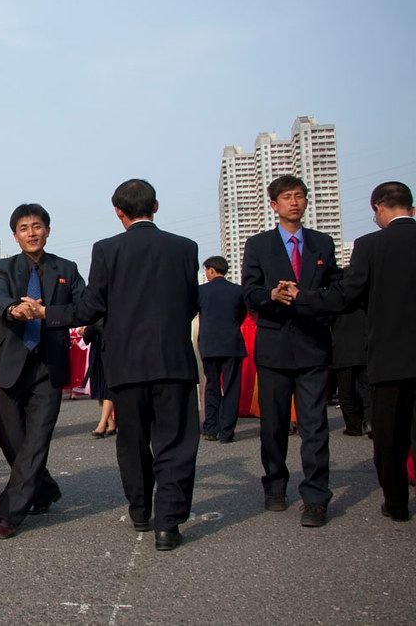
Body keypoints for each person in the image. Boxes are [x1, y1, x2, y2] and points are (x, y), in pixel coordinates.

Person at [33, 180, 200, 551]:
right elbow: (191, 302)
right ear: (156, 206)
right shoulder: (185, 248)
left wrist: (48, 312)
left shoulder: (107, 249)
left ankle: (141, 511)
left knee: (133, 440)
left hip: (126, 363)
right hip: (173, 360)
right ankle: (168, 524)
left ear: (118, 212)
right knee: (175, 442)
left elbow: (91, 307)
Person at [286, 181, 415, 521]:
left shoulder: (371, 245)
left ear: (378, 209)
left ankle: (397, 503)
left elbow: (344, 295)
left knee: (390, 435)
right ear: (411, 208)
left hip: (391, 358)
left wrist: (303, 296)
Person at [241, 175, 339, 527]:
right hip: (274, 346)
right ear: (274, 205)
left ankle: (315, 496)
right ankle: (275, 484)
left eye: (299, 196)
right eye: (286, 197)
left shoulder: (322, 244)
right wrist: (271, 295)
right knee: (275, 423)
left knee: (315, 426)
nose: (294, 202)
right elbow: (249, 293)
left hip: (313, 346)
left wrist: (307, 299)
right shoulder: (258, 245)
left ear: (306, 201)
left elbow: (335, 292)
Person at [0, 203, 86, 539]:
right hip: (12, 365)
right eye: (24, 228)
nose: (32, 233)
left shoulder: (67, 269)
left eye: (37, 226)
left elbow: (84, 308)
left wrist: (48, 313)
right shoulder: (2, 268)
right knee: (10, 440)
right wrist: (14, 308)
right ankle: (44, 490)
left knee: (36, 441)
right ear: (15, 235)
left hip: (48, 366)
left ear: (48, 230)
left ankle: (10, 512)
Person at [197, 255, 247, 444]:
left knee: (211, 386)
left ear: (210, 270)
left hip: (209, 345)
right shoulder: (237, 291)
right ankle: (227, 431)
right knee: (232, 387)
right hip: (232, 343)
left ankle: (211, 428)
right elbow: (241, 315)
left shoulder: (201, 291)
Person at [330, 309, 370, 437]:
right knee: (367, 389)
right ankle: (370, 421)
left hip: (343, 348)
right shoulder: (364, 296)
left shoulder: (337, 296)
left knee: (346, 390)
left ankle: (354, 426)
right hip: (364, 347)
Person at [81, 325, 115, 438]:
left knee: (107, 386)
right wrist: (85, 332)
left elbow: (99, 324)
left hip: (109, 347)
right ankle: (111, 423)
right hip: (96, 349)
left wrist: (87, 329)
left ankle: (102, 424)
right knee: (99, 386)